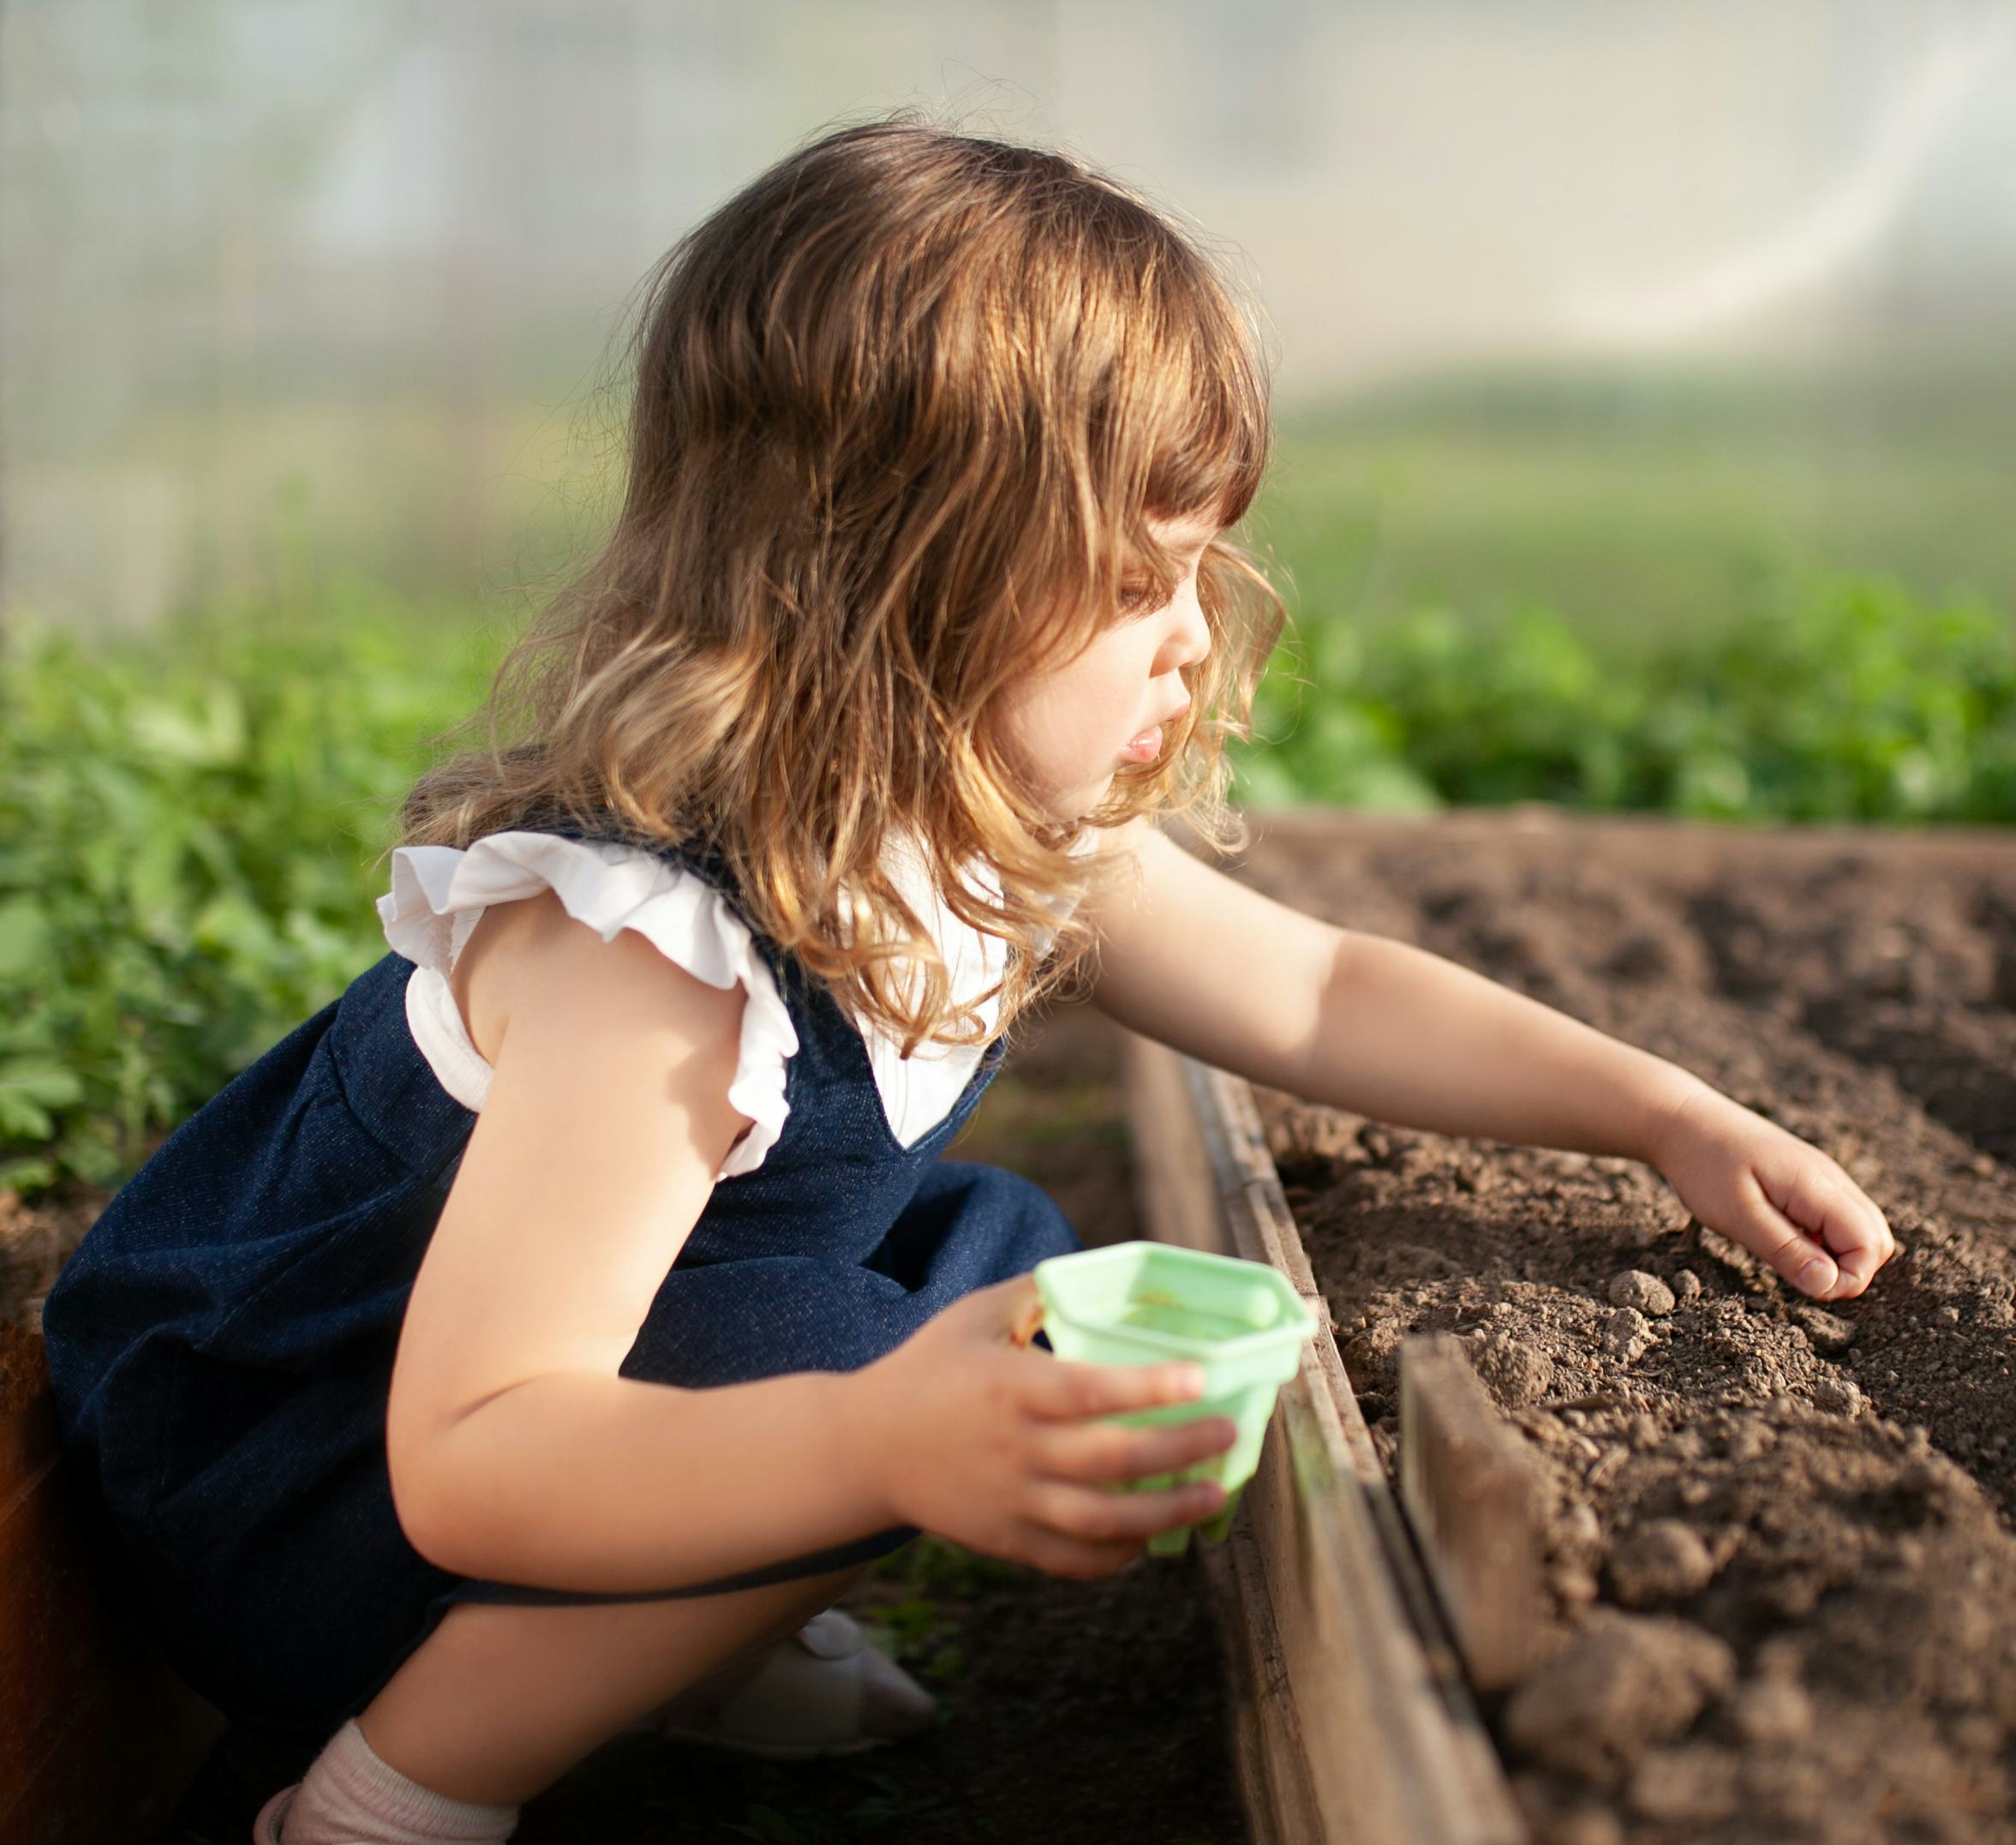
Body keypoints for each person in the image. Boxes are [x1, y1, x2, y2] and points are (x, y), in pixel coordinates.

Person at [39, 118, 1899, 1845]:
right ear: (909, 585)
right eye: (1140, 581)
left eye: (1201, 568)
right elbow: (471, 1456)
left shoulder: (986, 832)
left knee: (997, 1267)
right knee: (874, 1375)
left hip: (498, 1437)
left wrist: (1661, 1113)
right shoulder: (654, 964)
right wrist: (870, 1445)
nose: (1195, 639)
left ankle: (660, 1639)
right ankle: (392, 1792)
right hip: (289, 1482)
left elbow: (1321, 995)